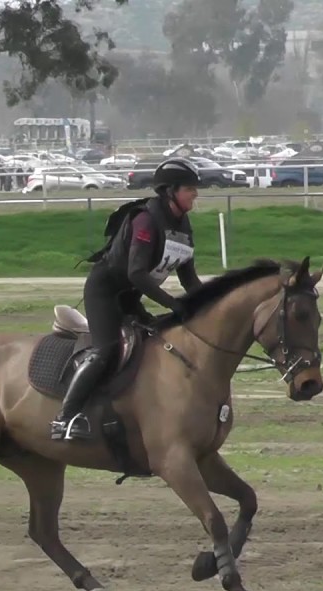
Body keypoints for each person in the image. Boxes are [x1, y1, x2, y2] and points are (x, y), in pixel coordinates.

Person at [50, 157, 204, 442]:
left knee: (157, 341)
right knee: (106, 350)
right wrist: (173, 304)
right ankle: (65, 418)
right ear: (170, 190)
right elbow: (136, 273)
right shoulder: (146, 219)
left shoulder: (182, 225)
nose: (196, 193)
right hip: (105, 292)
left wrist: (205, 305)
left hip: (131, 295)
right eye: (190, 188)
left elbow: (189, 278)